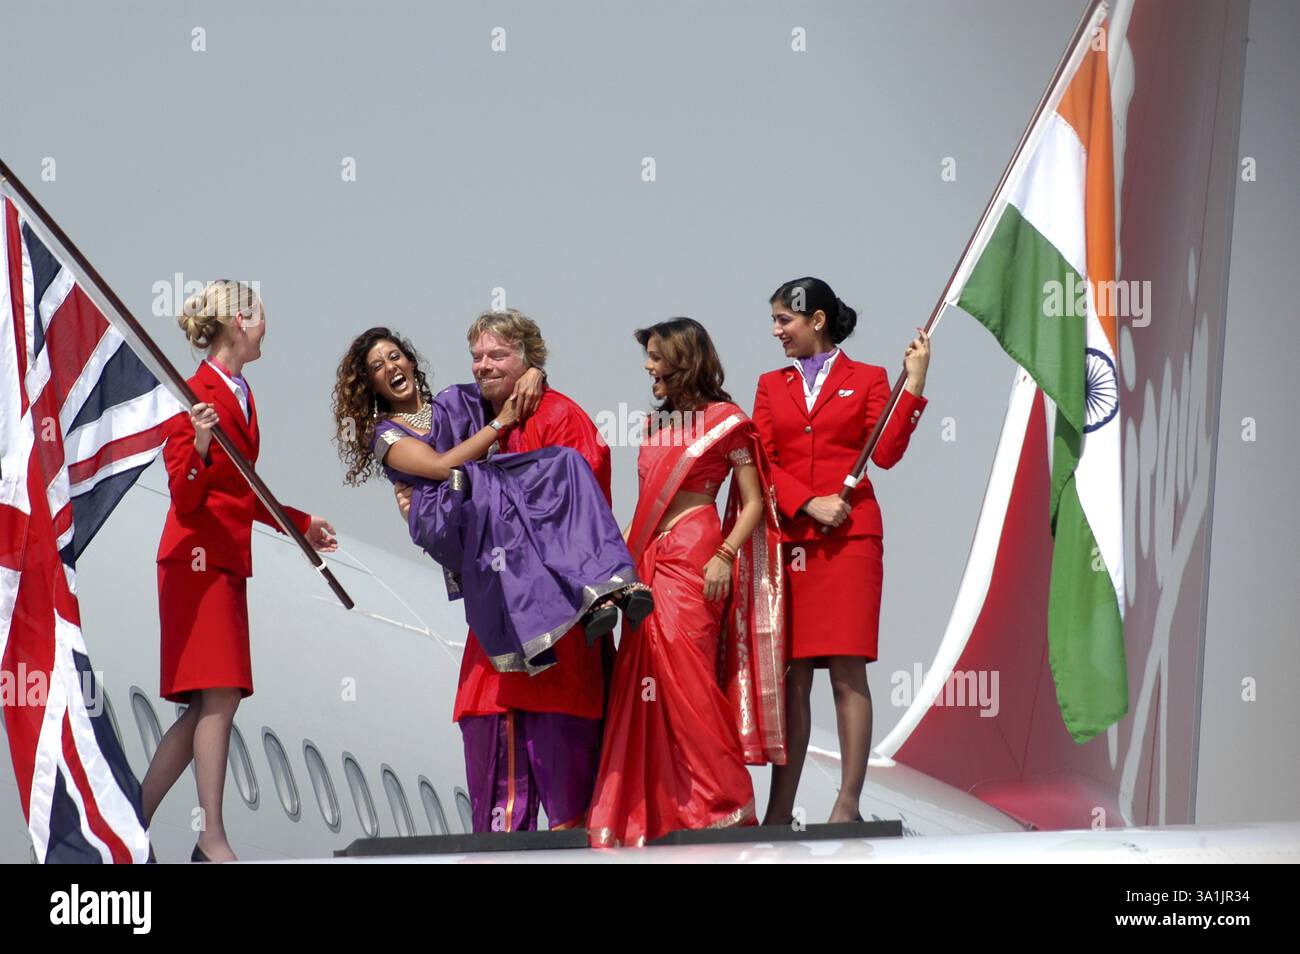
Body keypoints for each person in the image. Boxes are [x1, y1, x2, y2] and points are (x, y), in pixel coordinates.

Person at [338, 311, 646, 831]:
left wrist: (533, 374)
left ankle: (604, 587)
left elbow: (502, 385)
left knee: (565, 467)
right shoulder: (387, 433)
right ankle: (599, 586)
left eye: (395, 355)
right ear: (367, 384)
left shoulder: (459, 404)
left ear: (411, 360)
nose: (391, 366)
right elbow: (439, 469)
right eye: (376, 365)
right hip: (458, 508)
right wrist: (502, 424)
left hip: (495, 520)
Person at [141, 281, 337, 862]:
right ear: (238, 323)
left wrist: (298, 522)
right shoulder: (193, 394)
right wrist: (198, 446)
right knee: (219, 698)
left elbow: (244, 491)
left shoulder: (242, 393)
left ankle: (132, 816)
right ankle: (211, 836)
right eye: (259, 317)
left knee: (209, 703)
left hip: (223, 562)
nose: (266, 328)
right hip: (195, 563)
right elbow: (186, 495)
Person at [587, 317, 786, 848]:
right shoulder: (656, 428)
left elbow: (755, 502)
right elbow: (640, 507)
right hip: (649, 559)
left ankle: (723, 801)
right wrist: (615, 563)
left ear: (683, 358)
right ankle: (655, 809)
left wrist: (724, 554)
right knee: (644, 677)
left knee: (688, 675)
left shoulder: (728, 423)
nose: (648, 368)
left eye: (655, 356)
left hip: (696, 556)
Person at [752, 276, 930, 826]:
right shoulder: (768, 384)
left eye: (786, 320)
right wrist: (809, 503)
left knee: (848, 673)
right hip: (796, 538)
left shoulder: (871, 378)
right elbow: (762, 465)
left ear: (817, 320)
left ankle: (847, 804)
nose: (777, 330)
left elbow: (890, 451)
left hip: (851, 539)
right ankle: (779, 809)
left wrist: (915, 385)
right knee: (794, 674)